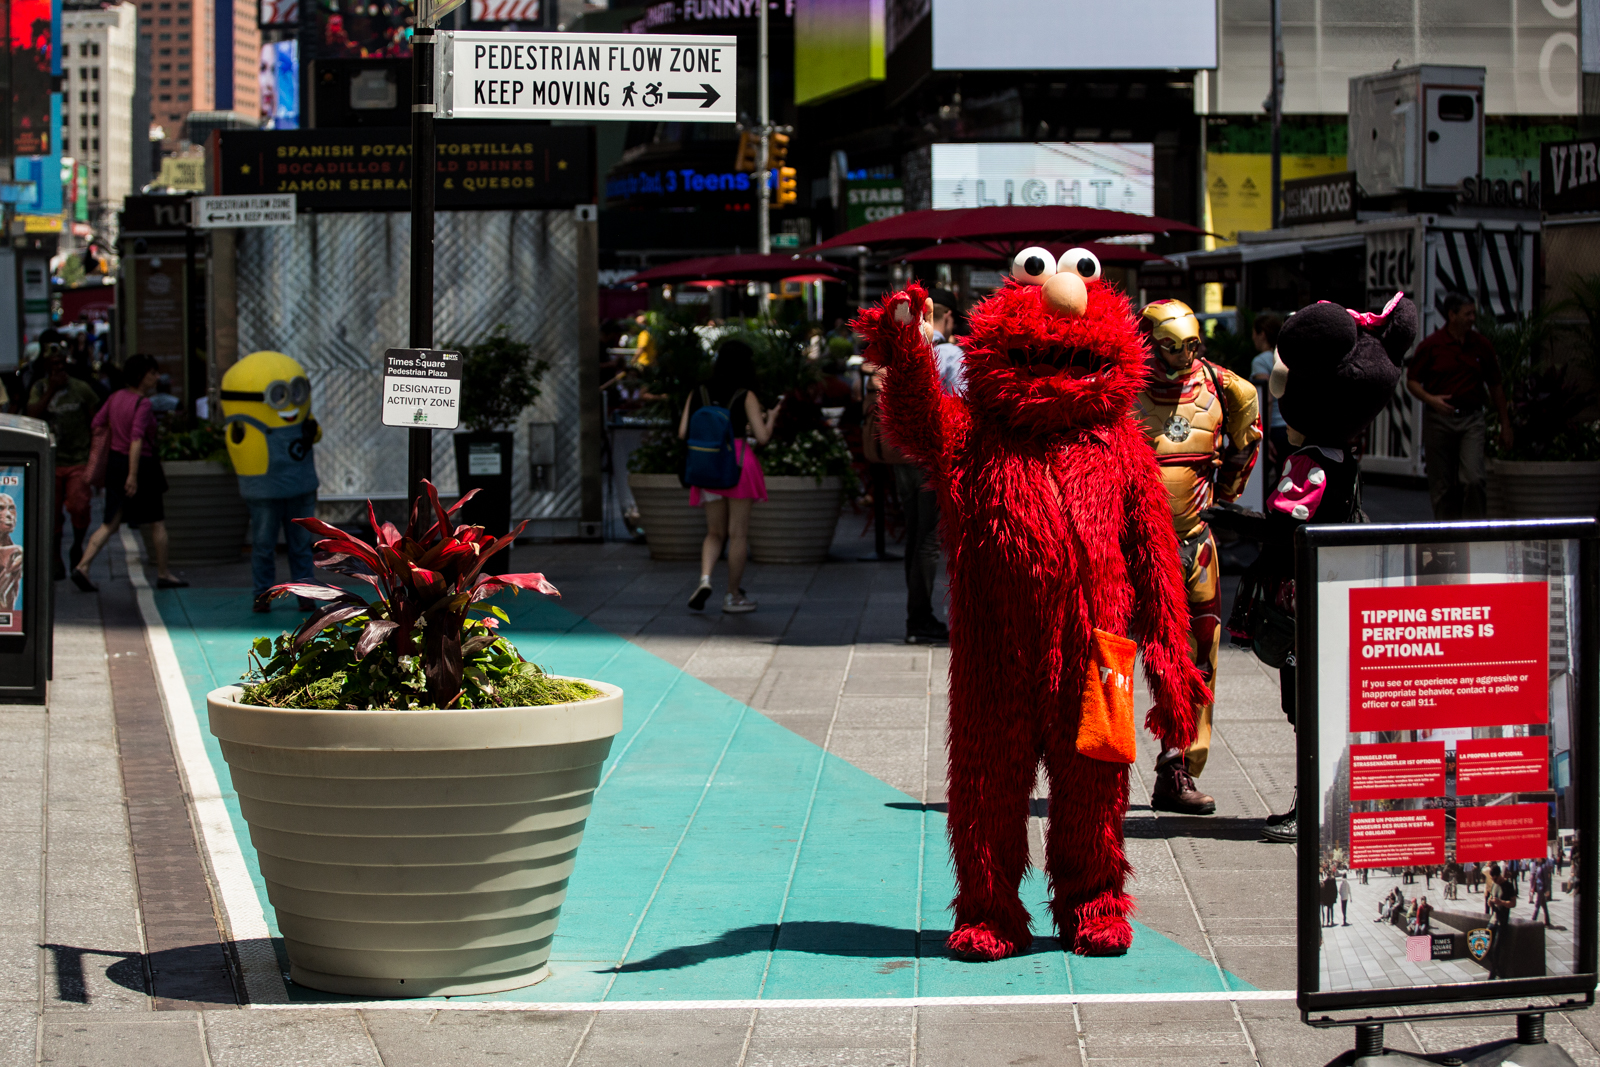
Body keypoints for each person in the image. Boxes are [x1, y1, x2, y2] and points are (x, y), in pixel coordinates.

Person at [1135, 299, 1262, 816]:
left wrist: (1223, 497)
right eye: (1171, 347)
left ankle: (1177, 764)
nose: (1183, 357)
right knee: (1110, 657)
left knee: (1196, 662)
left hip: (1194, 543)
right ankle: (1099, 766)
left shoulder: (1224, 387)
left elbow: (1243, 444)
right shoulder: (1122, 388)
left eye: (1191, 346)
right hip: (1132, 547)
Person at [885, 286, 964, 645]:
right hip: (932, 456)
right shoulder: (950, 353)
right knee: (929, 540)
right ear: (947, 317)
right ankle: (919, 618)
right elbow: (963, 404)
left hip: (901, 454)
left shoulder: (904, 350)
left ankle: (916, 616)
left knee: (916, 535)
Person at [680, 340, 780, 614]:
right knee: (738, 534)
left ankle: (705, 579)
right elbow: (761, 437)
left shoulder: (698, 391)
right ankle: (732, 596)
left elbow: (682, 433)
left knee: (714, 533)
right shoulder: (745, 394)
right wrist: (770, 418)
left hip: (707, 464)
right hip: (737, 463)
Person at [70, 354, 187, 591]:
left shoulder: (115, 398)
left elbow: (97, 423)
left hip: (115, 462)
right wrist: (133, 475)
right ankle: (164, 574)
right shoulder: (142, 404)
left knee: (110, 521)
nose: (156, 377)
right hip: (141, 465)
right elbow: (137, 439)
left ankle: (83, 566)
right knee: (156, 521)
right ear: (140, 376)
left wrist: (116, 430)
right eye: (152, 373)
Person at [219, 351, 322, 612]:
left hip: (288, 488)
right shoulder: (249, 424)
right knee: (275, 546)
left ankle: (292, 594)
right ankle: (271, 594)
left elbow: (315, 432)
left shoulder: (303, 421)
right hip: (276, 488)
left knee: (281, 545)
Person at [1406, 293, 1513, 520]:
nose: (1472, 318)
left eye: (1474, 313)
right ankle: (1446, 533)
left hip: (1471, 419)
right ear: (1452, 315)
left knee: (1474, 479)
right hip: (1439, 421)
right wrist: (1431, 399)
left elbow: (1495, 385)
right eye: (1468, 314)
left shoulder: (1481, 345)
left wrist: (1505, 423)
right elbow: (1412, 381)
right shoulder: (1432, 345)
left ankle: (1475, 531)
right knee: (1443, 486)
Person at [26, 344, 101, 580]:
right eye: (53, 364)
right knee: (52, 513)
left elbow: (96, 421)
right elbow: (31, 416)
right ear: (47, 367)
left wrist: (96, 458)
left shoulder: (80, 389)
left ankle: (78, 544)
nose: (58, 368)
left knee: (79, 506)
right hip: (51, 461)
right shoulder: (39, 388)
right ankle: (56, 557)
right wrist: (51, 391)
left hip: (78, 459)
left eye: (61, 363)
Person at [1247, 312, 1287, 488]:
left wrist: (1266, 434)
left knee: (1260, 482)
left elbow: (1267, 398)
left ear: (1262, 334)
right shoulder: (1284, 358)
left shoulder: (1260, 361)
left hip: (1274, 428)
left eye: (1254, 332)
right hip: (1289, 426)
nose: (1252, 337)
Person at [1530, 856, 1553, 924]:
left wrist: (1547, 890)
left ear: (1541, 858)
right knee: (1544, 905)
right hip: (1538, 887)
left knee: (1537, 904)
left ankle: (1533, 919)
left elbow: (1546, 879)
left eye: (1538, 857)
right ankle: (1547, 921)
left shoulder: (1544, 866)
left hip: (1541, 888)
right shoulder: (1538, 866)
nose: (1537, 858)